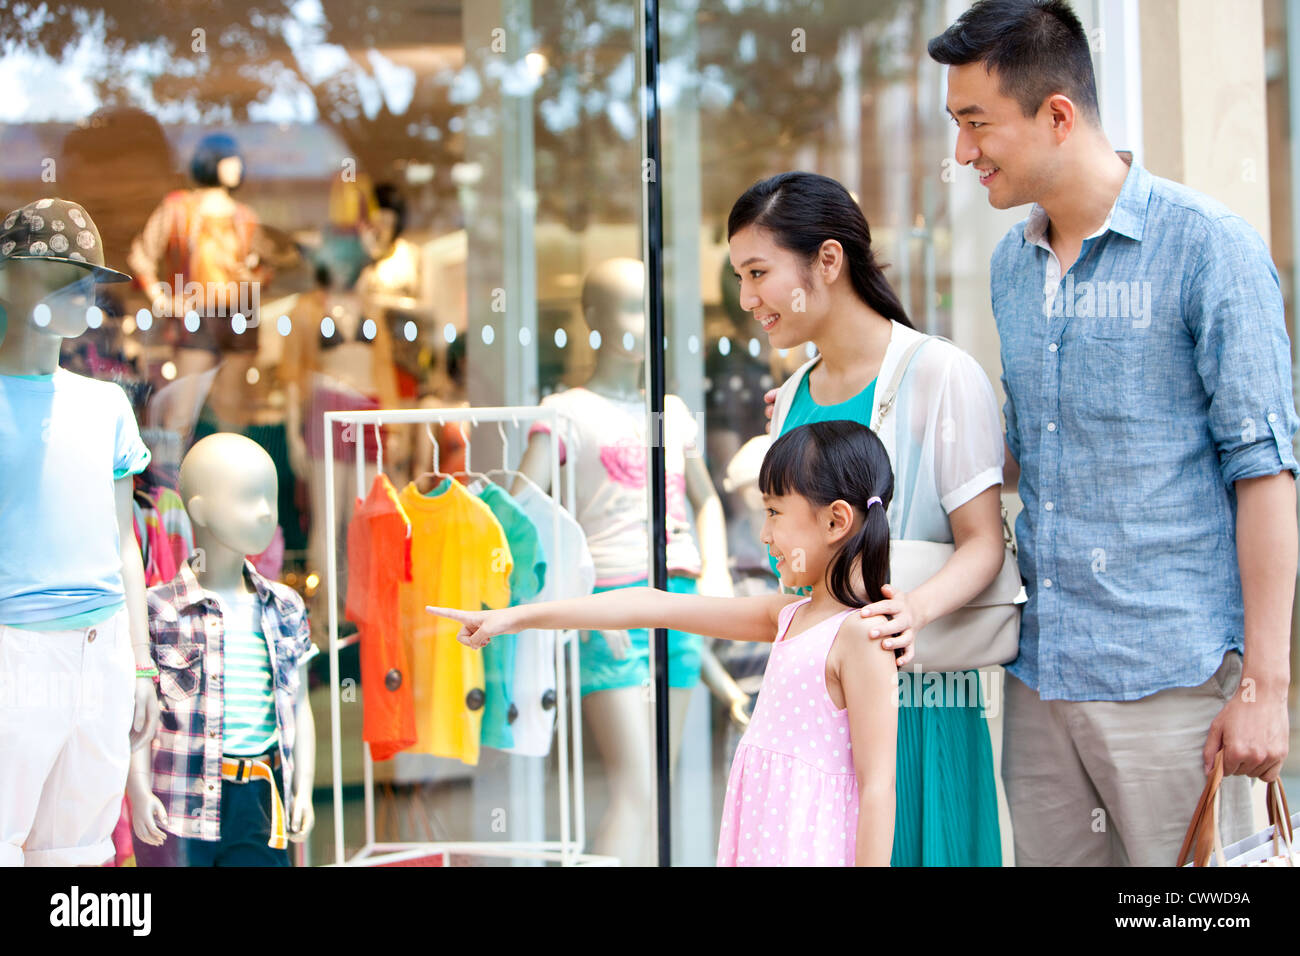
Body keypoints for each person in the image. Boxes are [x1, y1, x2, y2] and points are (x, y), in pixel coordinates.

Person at [929, 0, 1297, 866]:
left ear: (1057, 115)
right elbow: (1037, 451)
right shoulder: (1010, 267)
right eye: (956, 125)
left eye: (976, 123)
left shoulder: (1210, 250)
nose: (962, 153)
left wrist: (1265, 688)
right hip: (1041, 679)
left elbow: (1266, 474)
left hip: (1172, 685)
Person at [431, 421, 900, 867]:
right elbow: (649, 605)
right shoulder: (787, 616)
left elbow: (878, 786)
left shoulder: (861, 636)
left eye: (774, 512)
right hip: (764, 840)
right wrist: (517, 617)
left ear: (836, 520)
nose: (764, 534)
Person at [751, 171, 1008, 866]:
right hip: (819, 736)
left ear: (827, 262)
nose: (748, 299)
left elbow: (984, 544)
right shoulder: (793, 396)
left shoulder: (940, 376)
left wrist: (910, 613)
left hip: (920, 710)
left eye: (758, 273)